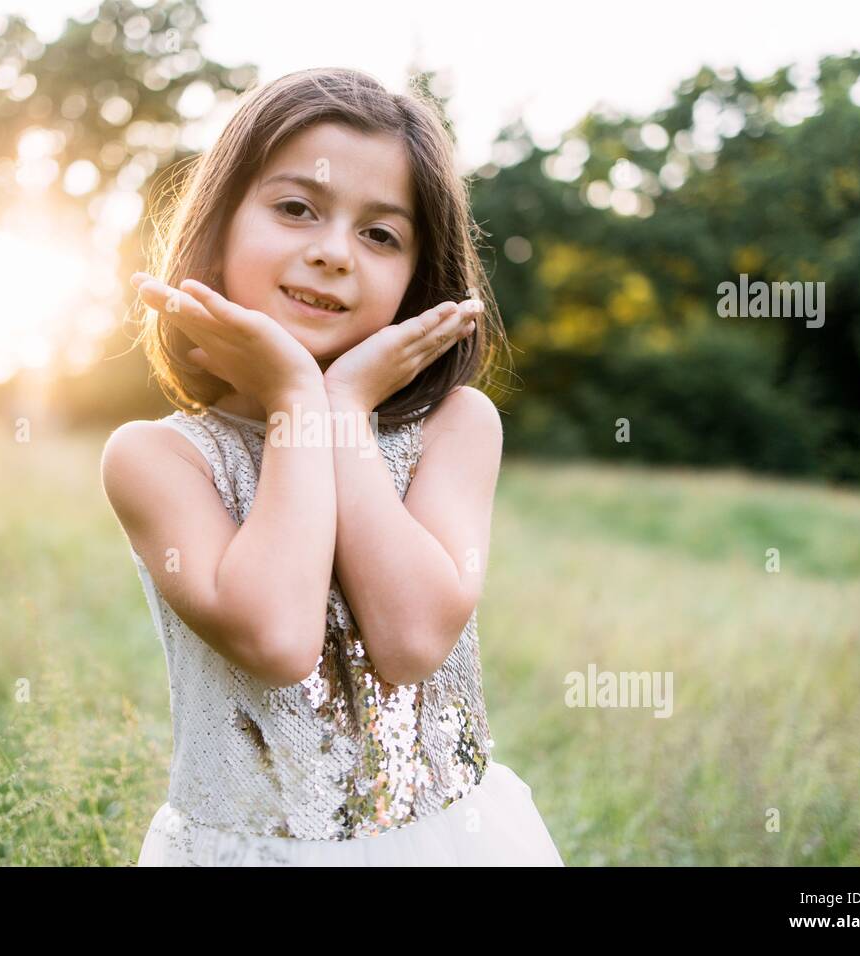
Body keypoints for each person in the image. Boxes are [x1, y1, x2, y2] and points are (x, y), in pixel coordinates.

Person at [101, 67, 564, 866]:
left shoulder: (453, 428)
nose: (331, 254)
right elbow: (278, 639)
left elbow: (413, 638)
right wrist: (294, 398)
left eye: (379, 234)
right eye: (295, 209)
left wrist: (342, 407)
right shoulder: (160, 457)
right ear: (219, 224)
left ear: (417, 280)